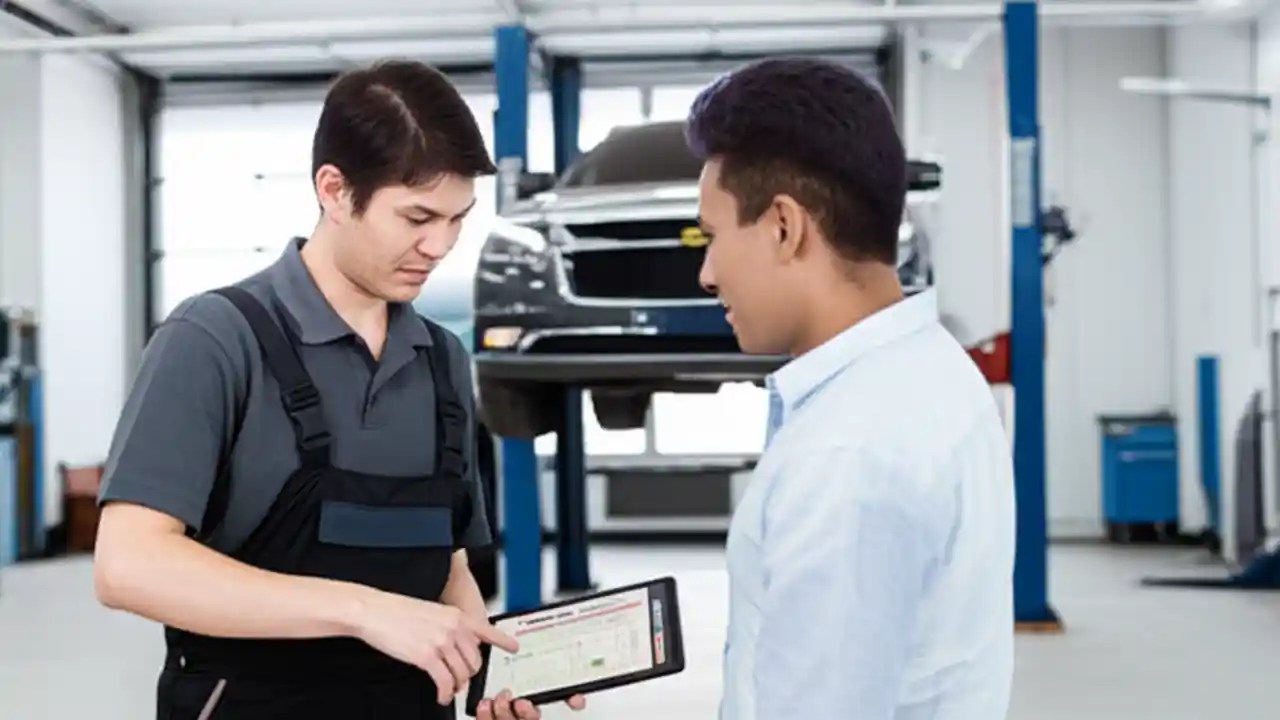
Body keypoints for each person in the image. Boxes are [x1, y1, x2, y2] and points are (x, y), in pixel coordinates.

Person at [93, 59, 582, 720]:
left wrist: (487, 673)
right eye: (416, 217)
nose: (439, 245)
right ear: (334, 190)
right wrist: (361, 611)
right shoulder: (212, 339)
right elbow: (128, 565)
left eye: (456, 219)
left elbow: (449, 567)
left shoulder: (443, 359)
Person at [685, 58, 1016, 719]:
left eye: (713, 237)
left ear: (784, 225)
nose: (706, 273)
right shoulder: (928, 368)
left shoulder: (848, 453)